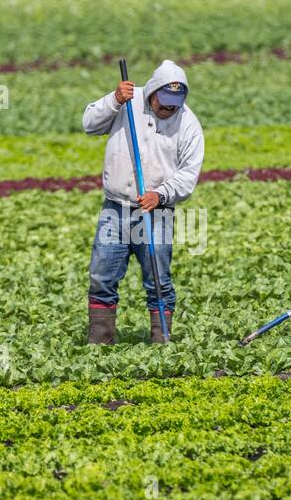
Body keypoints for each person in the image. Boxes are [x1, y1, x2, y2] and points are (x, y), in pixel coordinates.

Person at [82, 60, 204, 344]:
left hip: (156, 212)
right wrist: (114, 100)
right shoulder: (128, 101)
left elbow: (188, 174)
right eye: (164, 102)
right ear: (152, 91)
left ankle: (162, 343)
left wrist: (160, 194)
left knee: (158, 281)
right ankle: (99, 343)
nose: (169, 108)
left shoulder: (189, 124)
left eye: (175, 104)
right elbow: (89, 125)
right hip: (115, 209)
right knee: (102, 277)